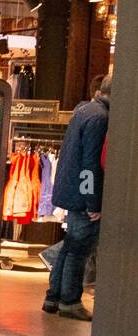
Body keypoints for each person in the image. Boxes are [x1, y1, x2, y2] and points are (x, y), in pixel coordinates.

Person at [44, 73, 111, 322]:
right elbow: (90, 163)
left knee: (70, 246)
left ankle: (54, 296)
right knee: (78, 251)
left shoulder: (84, 110)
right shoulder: (100, 118)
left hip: (70, 189)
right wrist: (93, 201)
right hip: (83, 194)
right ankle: (70, 301)